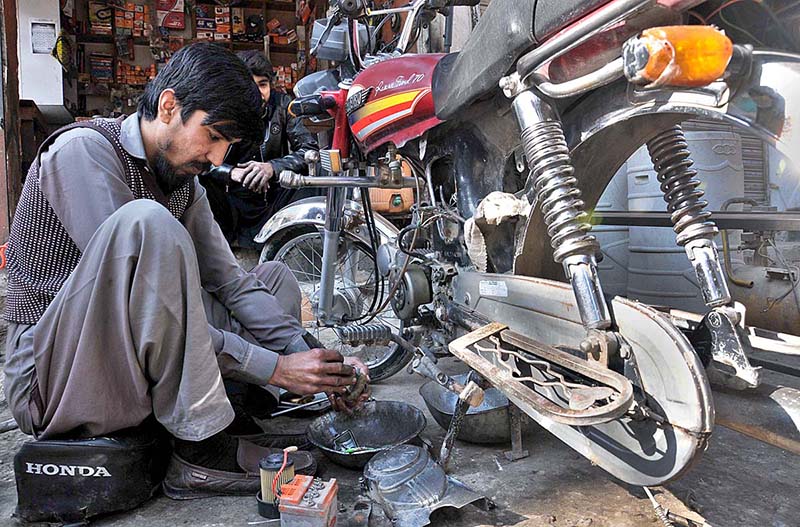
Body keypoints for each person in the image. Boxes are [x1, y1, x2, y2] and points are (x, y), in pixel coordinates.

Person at [2, 43, 367, 499]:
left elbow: (230, 282)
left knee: (274, 278)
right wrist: (276, 368)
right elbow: (147, 303)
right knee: (148, 223)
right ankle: (200, 449)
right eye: (212, 136)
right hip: (54, 373)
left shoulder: (184, 183)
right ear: (169, 106)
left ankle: (226, 414)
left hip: (127, 354)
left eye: (227, 147)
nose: (217, 159)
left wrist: (315, 359)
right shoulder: (83, 153)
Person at [202, 50, 319, 248]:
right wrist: (232, 172)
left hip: (272, 195)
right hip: (231, 196)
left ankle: (293, 246)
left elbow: (308, 149)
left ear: (270, 85)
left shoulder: (283, 105)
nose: (258, 93)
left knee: (314, 180)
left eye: (262, 85)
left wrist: (272, 168)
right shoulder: (223, 108)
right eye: (250, 85)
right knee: (200, 181)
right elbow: (202, 159)